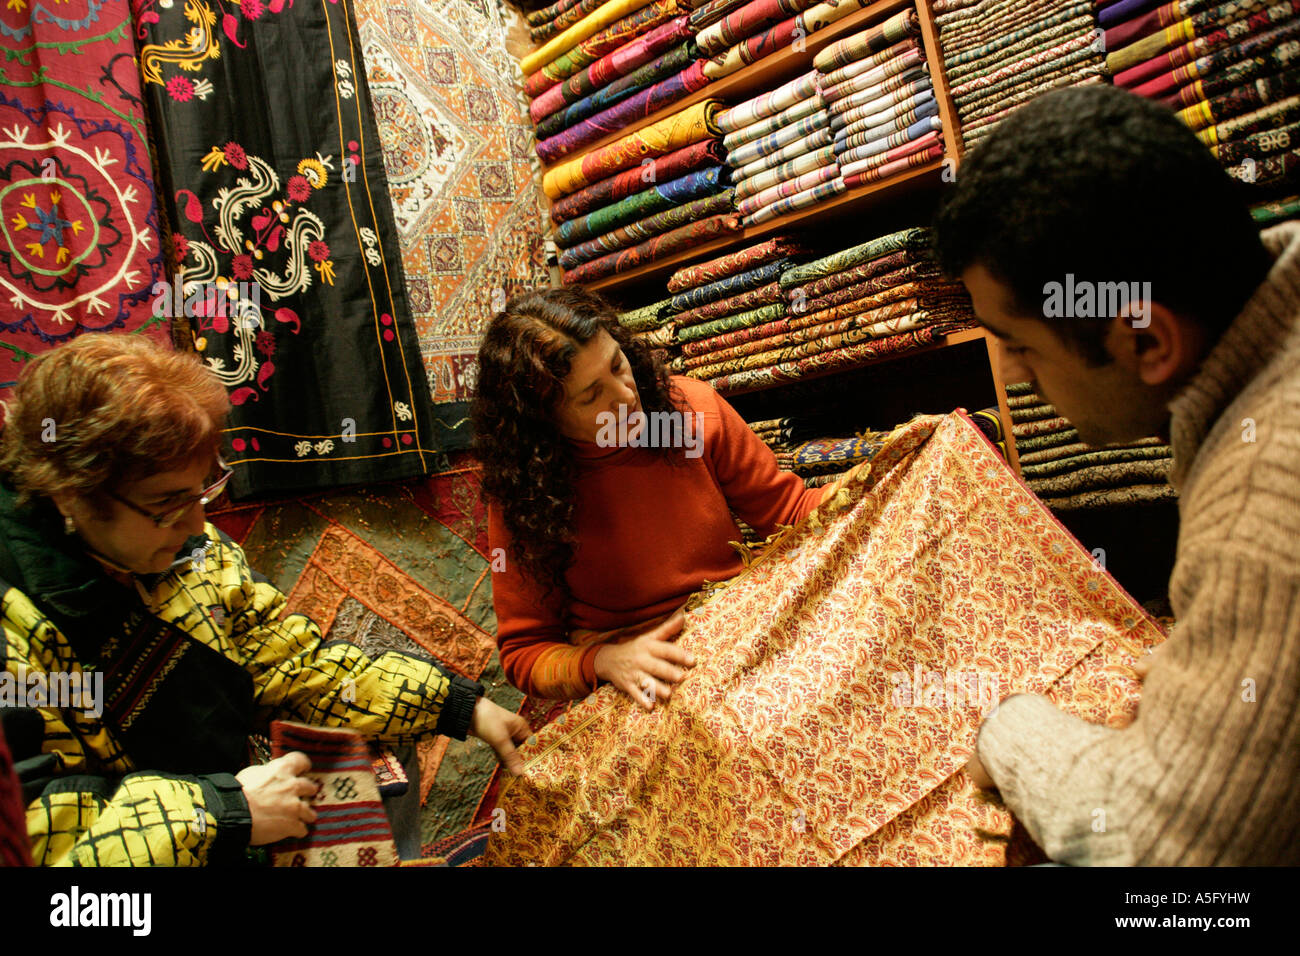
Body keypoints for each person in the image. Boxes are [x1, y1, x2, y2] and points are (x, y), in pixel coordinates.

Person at [932, 85, 1299, 865]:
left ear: (1145, 341)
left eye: (1020, 345)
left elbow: (1166, 851)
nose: (1015, 378)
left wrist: (1009, 730)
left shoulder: (1265, 492)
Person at [0, 335, 530, 866]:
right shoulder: (15, 626)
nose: (196, 523)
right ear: (71, 493)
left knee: (383, 747)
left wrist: (457, 705)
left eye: (202, 492)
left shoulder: (187, 553)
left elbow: (290, 667)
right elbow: (44, 839)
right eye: (166, 504)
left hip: (220, 812)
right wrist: (225, 810)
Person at [473, 288, 830, 706]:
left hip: (745, 639)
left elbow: (789, 514)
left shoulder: (688, 416)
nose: (625, 396)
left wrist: (887, 470)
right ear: (544, 419)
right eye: (591, 396)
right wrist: (603, 661)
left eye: (617, 365)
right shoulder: (527, 490)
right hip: (643, 687)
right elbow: (525, 653)